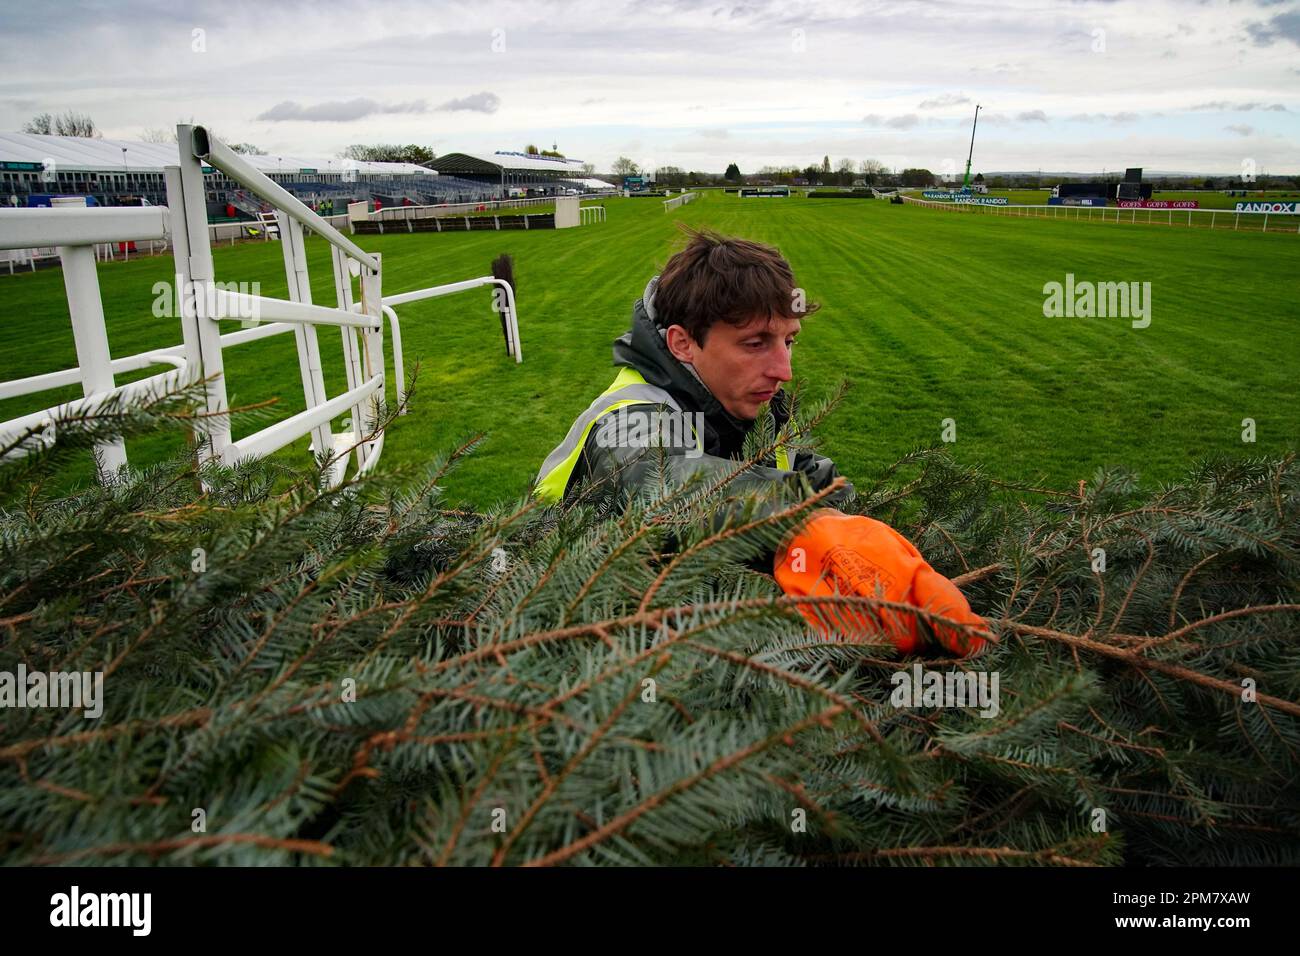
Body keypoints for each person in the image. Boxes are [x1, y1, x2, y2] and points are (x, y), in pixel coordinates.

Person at [534, 227, 989, 656]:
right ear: (682, 344)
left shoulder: (746, 401)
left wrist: (851, 525)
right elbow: (661, 482)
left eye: (789, 341)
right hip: (568, 637)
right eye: (755, 343)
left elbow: (803, 472)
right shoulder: (631, 413)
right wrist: (813, 523)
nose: (783, 370)